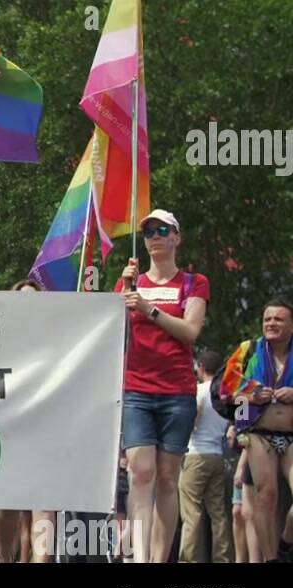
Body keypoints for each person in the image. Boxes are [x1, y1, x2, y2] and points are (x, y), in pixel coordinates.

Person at [115, 209, 209, 563]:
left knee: (168, 478)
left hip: (177, 392)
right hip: (136, 389)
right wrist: (124, 293)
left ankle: (158, 558)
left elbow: (190, 331)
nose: (154, 235)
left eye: (162, 229)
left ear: (176, 237)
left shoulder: (194, 282)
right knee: (141, 473)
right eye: (148, 231)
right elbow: (111, 333)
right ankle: (138, 558)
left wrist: (149, 308)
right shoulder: (129, 284)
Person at [221, 298, 293, 563]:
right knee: (266, 496)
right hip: (258, 434)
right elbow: (226, 389)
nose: (271, 323)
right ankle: (272, 558)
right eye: (267, 319)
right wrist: (253, 394)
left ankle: (286, 541)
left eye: (279, 319)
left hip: (291, 435)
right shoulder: (248, 350)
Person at [178, 351, 231, 562]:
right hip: (218, 456)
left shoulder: (199, 391)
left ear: (200, 367)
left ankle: (187, 559)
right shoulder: (225, 394)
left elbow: (194, 419)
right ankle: (222, 558)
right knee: (218, 514)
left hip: (196, 455)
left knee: (191, 513)